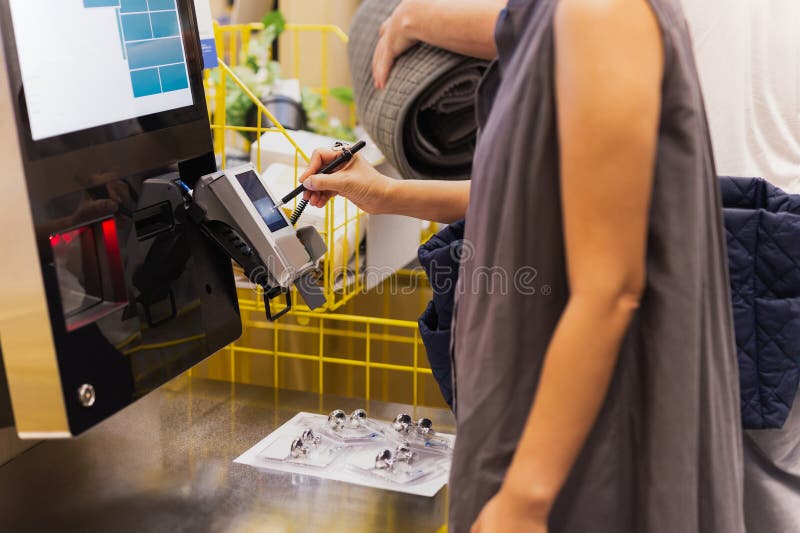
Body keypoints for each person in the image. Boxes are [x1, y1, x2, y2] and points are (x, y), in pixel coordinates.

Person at [303, 0, 746, 531]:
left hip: (592, 446)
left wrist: (525, 498)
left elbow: (610, 289)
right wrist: (386, 192)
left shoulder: (602, 15)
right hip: (536, 415)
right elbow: (525, 191)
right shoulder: (553, 18)